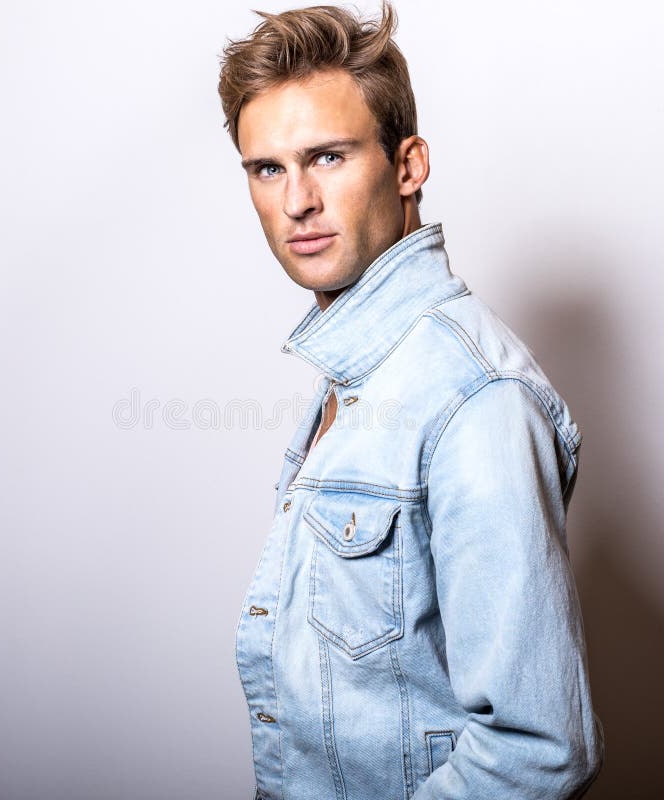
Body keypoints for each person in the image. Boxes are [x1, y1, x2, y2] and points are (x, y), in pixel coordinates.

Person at [217, 4, 604, 798]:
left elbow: (537, 750)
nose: (296, 201)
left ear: (408, 165)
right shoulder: (367, 371)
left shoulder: (474, 399)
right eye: (268, 169)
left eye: (327, 157)